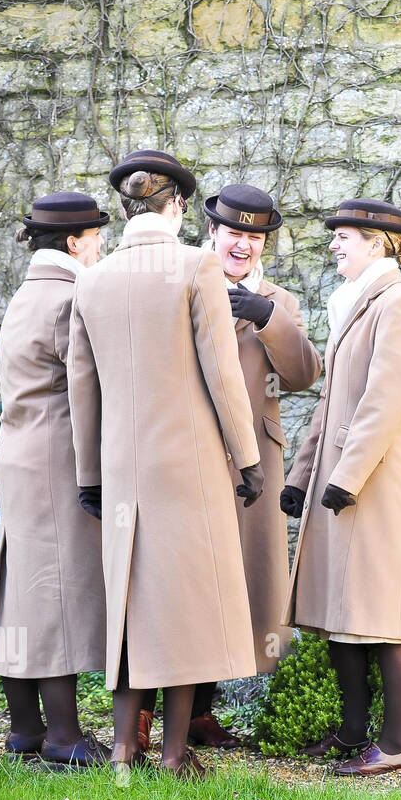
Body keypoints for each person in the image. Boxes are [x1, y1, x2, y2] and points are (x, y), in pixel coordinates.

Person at [67, 149, 264, 779]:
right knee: (184, 606)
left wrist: (88, 475)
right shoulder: (196, 266)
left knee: (131, 603)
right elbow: (223, 373)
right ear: (178, 204)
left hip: (122, 468)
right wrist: (249, 458)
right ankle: (176, 754)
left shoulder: (91, 280)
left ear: (127, 209)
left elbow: (81, 385)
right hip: (190, 464)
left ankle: (125, 749)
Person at [134, 184, 322, 752]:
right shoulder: (181, 278)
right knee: (172, 579)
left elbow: (302, 375)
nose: (243, 244)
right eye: (234, 233)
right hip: (184, 452)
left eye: (254, 236)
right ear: (211, 231)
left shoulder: (279, 301)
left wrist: (268, 318)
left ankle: (199, 714)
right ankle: (142, 712)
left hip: (253, 464)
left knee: (235, 580)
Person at [280, 198, 401, 776]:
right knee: (340, 608)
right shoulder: (355, 305)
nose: (334, 245)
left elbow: (384, 405)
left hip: (375, 485)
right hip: (341, 481)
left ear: (378, 243)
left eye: (344, 236)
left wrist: (344, 478)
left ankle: (395, 744)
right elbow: (330, 404)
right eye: (335, 237)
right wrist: (301, 476)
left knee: (382, 609)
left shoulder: (400, 307)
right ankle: (350, 732)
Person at [0, 192, 112, 768]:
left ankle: (25, 729)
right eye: (97, 237)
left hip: (18, 456)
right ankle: (64, 737)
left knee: (22, 591)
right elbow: (88, 389)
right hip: (58, 459)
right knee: (55, 592)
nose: (102, 246)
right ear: (73, 243)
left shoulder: (25, 294)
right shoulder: (69, 299)